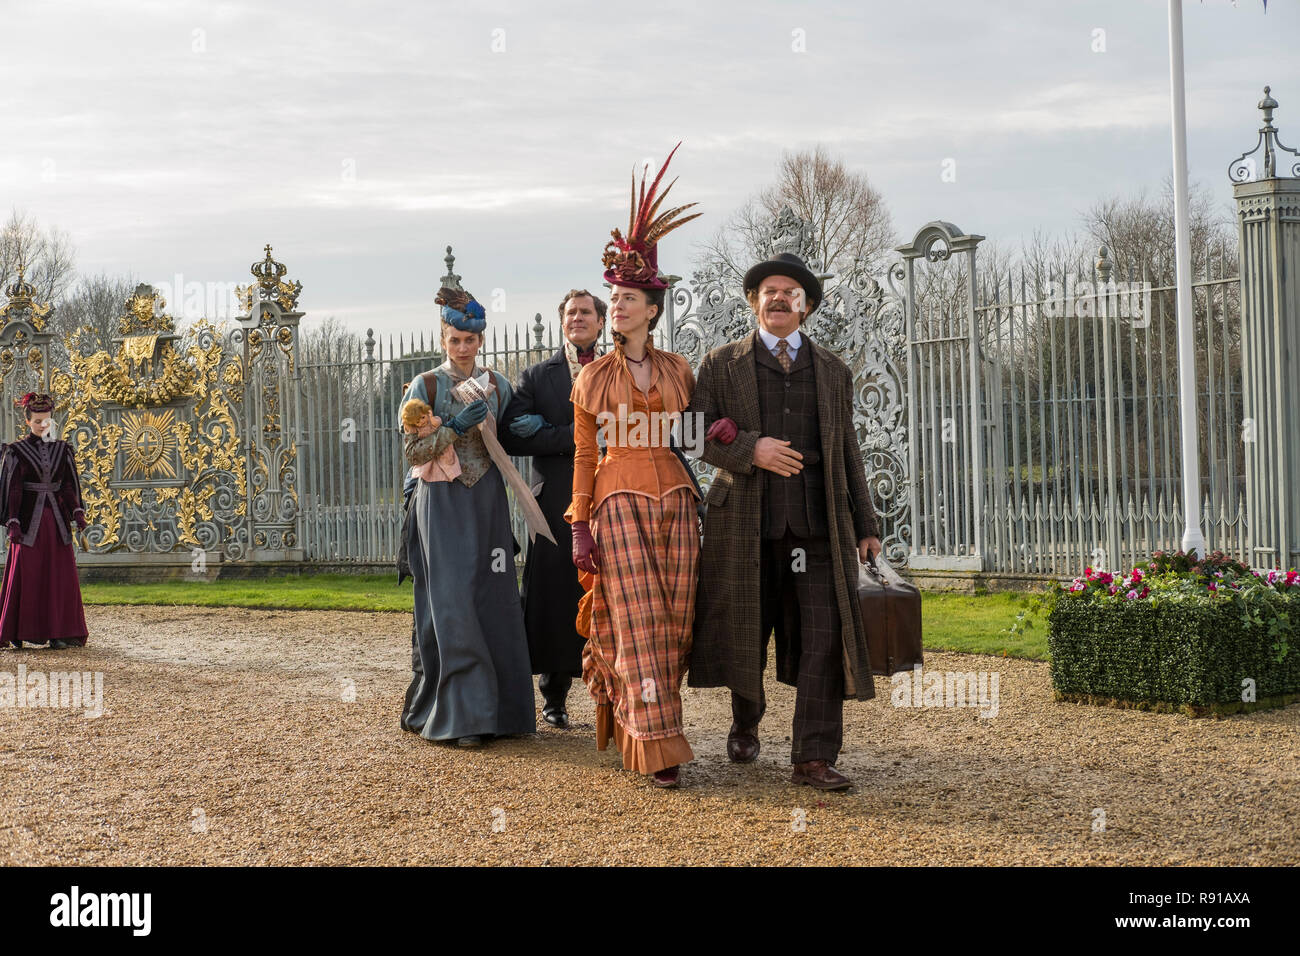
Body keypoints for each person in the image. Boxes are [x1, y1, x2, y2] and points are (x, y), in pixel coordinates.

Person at [687, 252, 883, 791]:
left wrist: (866, 524)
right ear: (754, 302)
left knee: (824, 635)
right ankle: (746, 721)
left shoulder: (834, 370)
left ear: (806, 307)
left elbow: (848, 450)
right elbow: (691, 433)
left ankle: (812, 757)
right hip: (746, 523)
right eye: (769, 290)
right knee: (749, 627)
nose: (778, 298)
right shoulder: (720, 362)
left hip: (820, 527)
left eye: (790, 292)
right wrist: (752, 449)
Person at [566, 144, 702, 788]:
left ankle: (640, 716)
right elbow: (586, 453)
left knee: (674, 619)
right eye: (612, 298)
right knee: (641, 616)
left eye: (628, 299)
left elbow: (694, 434)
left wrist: (720, 429)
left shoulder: (679, 370)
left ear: (653, 307)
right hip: (616, 497)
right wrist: (579, 524)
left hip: (677, 498)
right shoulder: (593, 376)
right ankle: (656, 744)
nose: (616, 307)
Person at [397, 285, 535, 747]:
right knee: (452, 600)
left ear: (481, 341)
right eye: (454, 339)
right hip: (441, 503)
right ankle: (465, 717)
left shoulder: (499, 385)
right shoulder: (425, 386)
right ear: (442, 339)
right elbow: (413, 451)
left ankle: (503, 711)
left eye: (469, 340)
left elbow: (515, 438)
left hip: (489, 499)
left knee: (494, 598)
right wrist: (453, 427)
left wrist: (540, 430)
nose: (461, 347)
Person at [498, 288, 606, 728]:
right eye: (570, 313)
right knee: (556, 593)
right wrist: (578, 438)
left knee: (608, 589)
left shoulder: (616, 370)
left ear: (601, 321)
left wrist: (554, 430)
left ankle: (610, 690)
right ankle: (554, 693)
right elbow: (514, 437)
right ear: (562, 321)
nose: (577, 318)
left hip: (612, 491)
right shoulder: (536, 378)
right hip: (555, 500)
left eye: (586, 312)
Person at [0, 393, 89, 650]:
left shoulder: (63, 449)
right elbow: (14, 488)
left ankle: (59, 632)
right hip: (28, 525)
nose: (43, 426)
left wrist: (77, 512)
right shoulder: (16, 451)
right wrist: (13, 521)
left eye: (47, 421)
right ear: (27, 421)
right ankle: (19, 631)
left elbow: (68, 486)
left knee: (58, 575)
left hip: (56, 523)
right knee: (27, 575)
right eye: (38, 421)